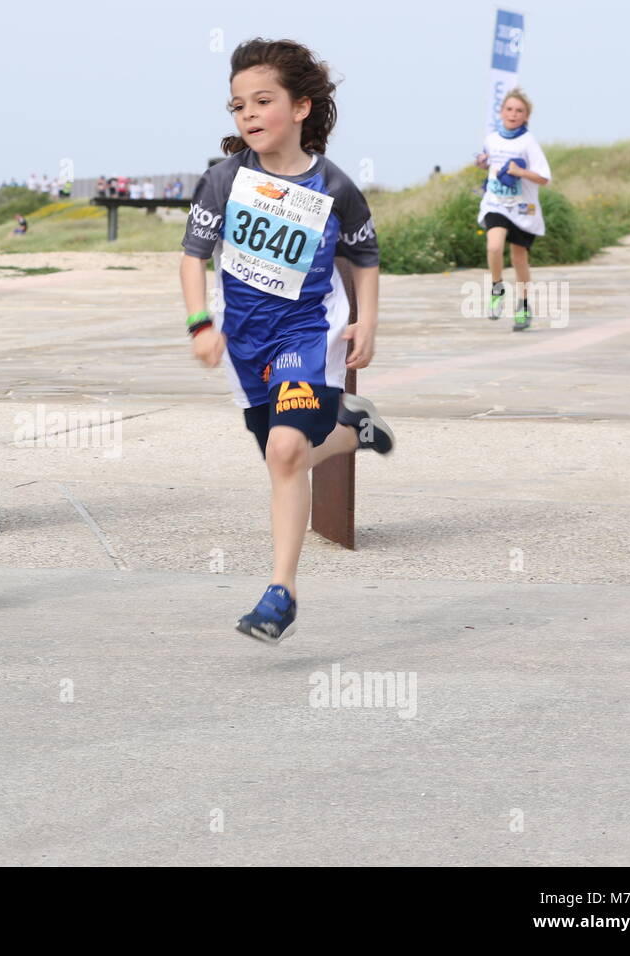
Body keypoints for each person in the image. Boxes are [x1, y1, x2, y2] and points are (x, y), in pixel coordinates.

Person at [180, 38, 394, 645]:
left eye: (262, 101)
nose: (248, 115)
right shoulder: (222, 181)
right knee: (286, 456)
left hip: (306, 332)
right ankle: (356, 429)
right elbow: (193, 258)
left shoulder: (334, 185)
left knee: (283, 453)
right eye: (237, 106)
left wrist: (367, 321)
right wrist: (200, 323)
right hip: (243, 340)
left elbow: (365, 255)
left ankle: (281, 592)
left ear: (300, 108)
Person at [475, 89, 550, 332]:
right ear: (501, 112)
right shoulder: (492, 139)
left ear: (526, 116)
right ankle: (497, 288)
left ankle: (524, 306)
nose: (513, 114)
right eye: (509, 109)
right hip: (495, 203)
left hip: (522, 208)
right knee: (494, 246)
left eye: (519, 111)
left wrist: (520, 172)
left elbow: (543, 178)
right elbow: (488, 165)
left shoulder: (529, 143)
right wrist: (482, 163)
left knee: (519, 260)